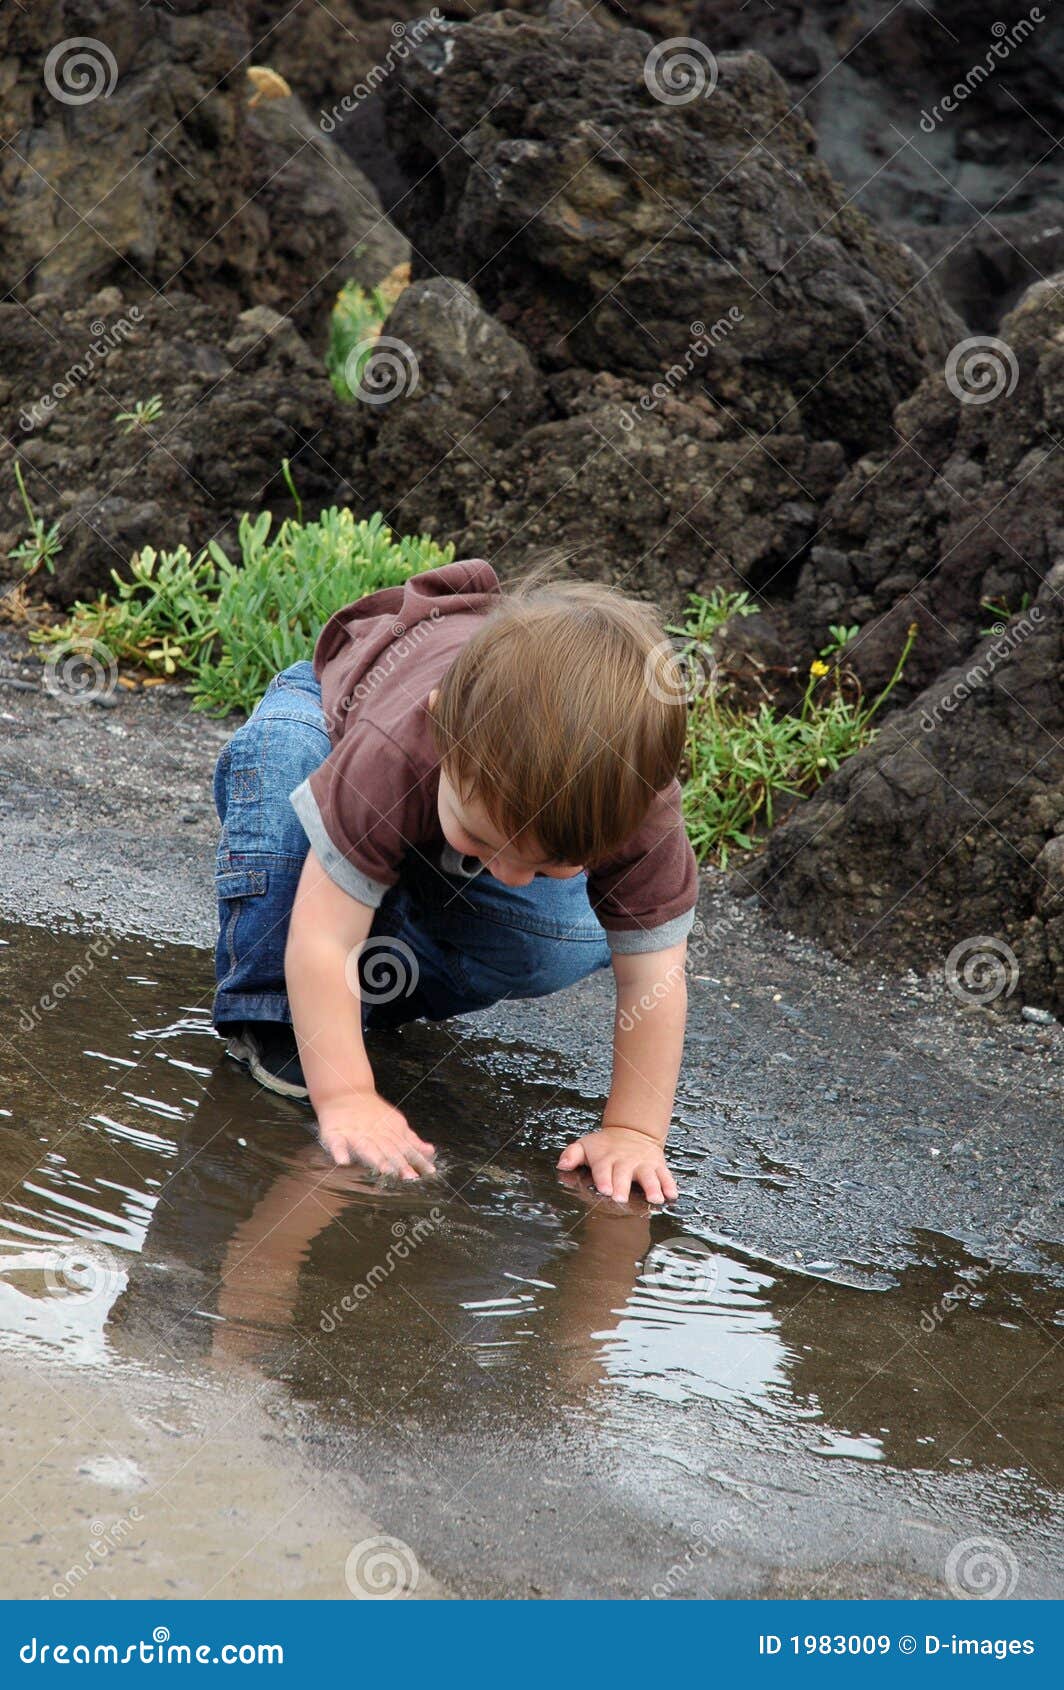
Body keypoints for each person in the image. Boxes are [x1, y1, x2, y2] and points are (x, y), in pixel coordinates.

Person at [211, 559, 698, 1203]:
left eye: (552, 865)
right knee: (281, 757)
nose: (512, 876)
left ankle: (372, 984)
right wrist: (350, 1095)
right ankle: (276, 1012)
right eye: (484, 841)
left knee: (569, 938)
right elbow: (324, 936)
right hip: (333, 725)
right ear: (445, 735)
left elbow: (653, 977)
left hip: (430, 822)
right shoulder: (395, 747)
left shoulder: (638, 805)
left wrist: (634, 1130)